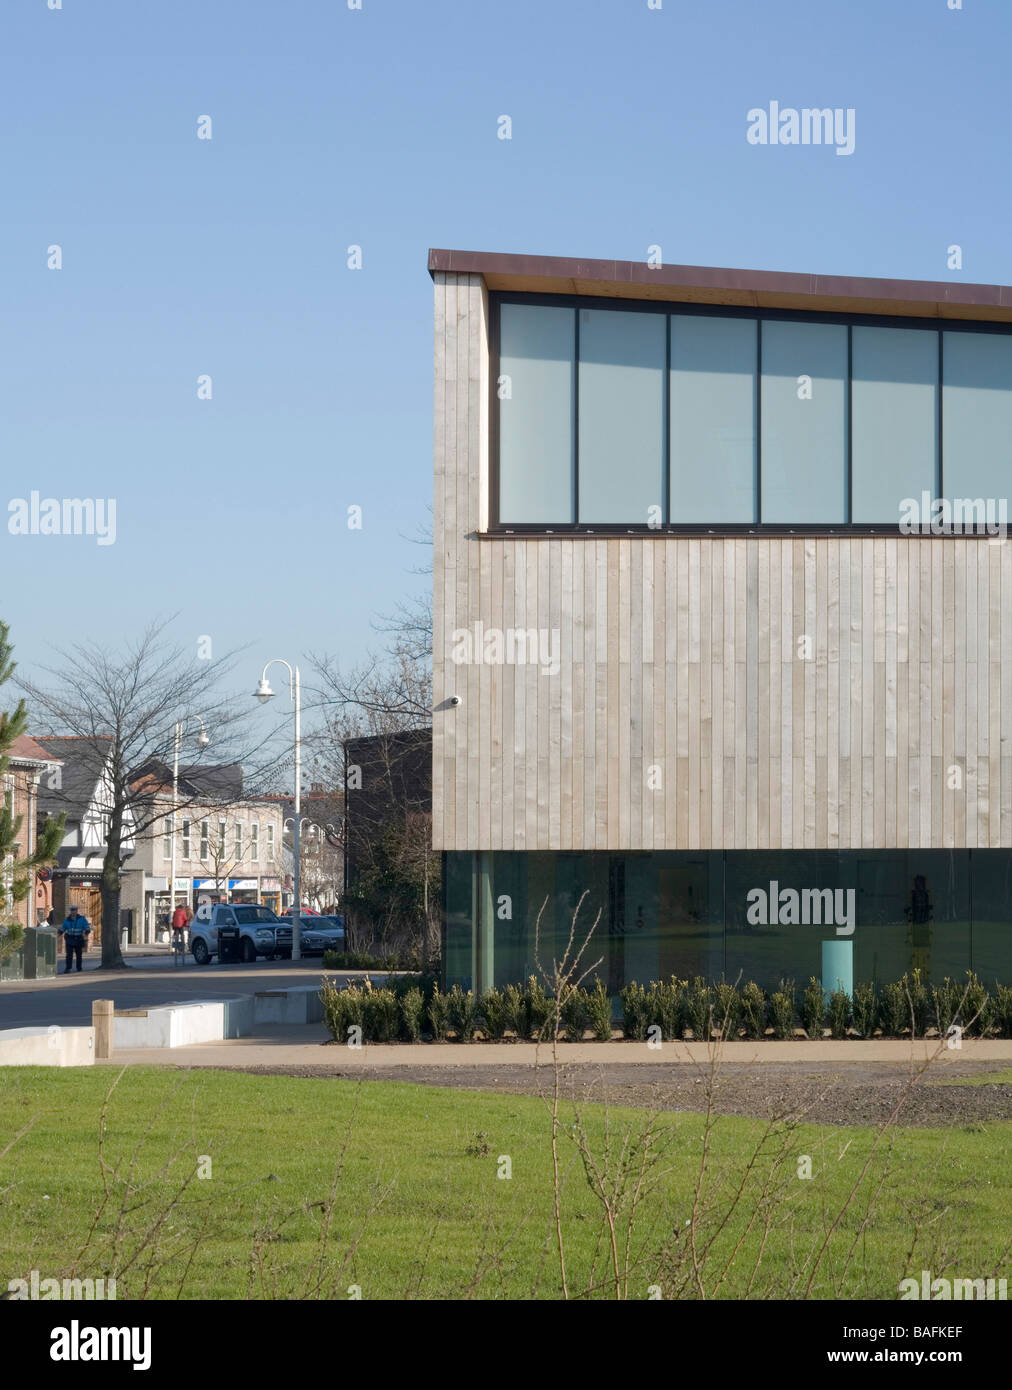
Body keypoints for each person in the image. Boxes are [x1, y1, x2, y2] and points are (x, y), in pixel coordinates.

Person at [58, 905, 92, 974]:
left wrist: (87, 932)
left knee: (79, 955)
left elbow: (87, 927)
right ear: (70, 911)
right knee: (69, 955)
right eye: (72, 910)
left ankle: (79, 968)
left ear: (76, 911)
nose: (73, 912)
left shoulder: (82, 919)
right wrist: (59, 933)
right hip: (70, 938)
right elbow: (63, 928)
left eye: (74, 910)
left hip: (78, 938)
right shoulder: (67, 920)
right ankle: (68, 968)